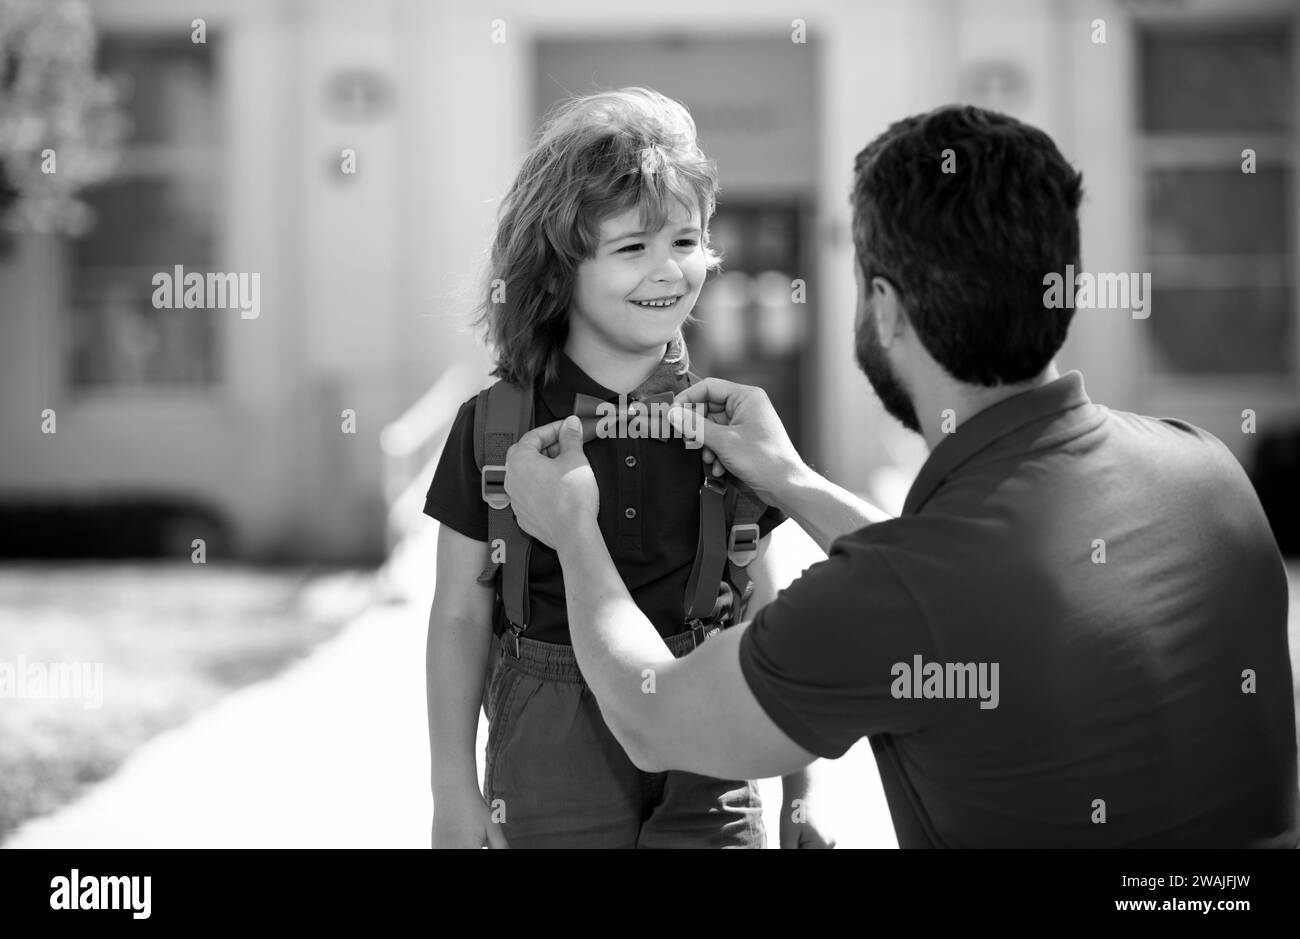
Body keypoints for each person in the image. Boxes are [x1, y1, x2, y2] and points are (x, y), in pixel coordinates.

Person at [502, 104, 1300, 848]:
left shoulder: (894, 597)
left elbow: (650, 716)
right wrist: (789, 478)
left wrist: (574, 530)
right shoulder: (1210, 471)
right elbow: (977, 593)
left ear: (885, 308)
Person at [423, 87, 831, 848]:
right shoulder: (493, 426)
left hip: (712, 737)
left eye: (684, 240)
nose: (667, 270)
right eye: (631, 247)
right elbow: (457, 616)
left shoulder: (732, 424)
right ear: (558, 270)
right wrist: (453, 791)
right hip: (549, 751)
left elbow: (762, 608)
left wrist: (801, 792)